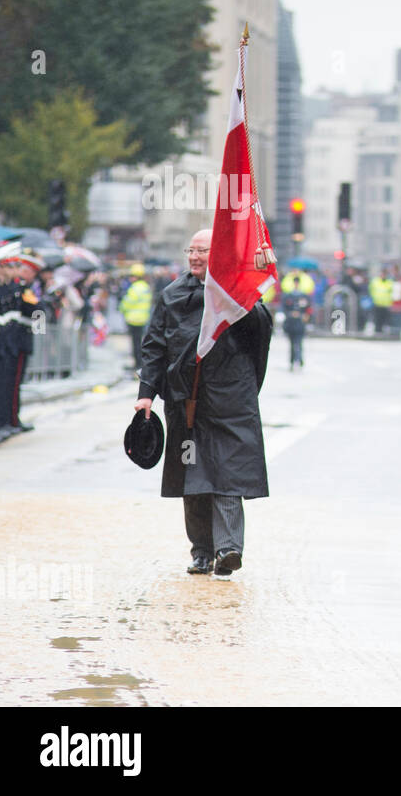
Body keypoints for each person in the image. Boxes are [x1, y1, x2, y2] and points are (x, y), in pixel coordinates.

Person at [133, 230, 272, 577]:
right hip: (185, 401)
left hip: (229, 401)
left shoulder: (238, 295)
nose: (195, 257)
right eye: (191, 250)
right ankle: (202, 551)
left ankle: (229, 549)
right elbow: (154, 347)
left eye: (202, 251)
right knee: (192, 476)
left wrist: (240, 298)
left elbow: (260, 337)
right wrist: (145, 395)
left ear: (220, 255)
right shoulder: (172, 295)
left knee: (228, 475)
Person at [119, 263, 153, 372]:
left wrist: (121, 308)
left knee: (136, 344)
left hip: (134, 319)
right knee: (139, 343)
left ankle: (137, 365)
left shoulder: (135, 288)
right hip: (142, 319)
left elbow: (127, 302)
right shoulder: (145, 286)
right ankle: (139, 364)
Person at [281, 286, 312, 371]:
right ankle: (293, 360)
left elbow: (308, 309)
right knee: (292, 344)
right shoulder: (288, 296)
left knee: (298, 343)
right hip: (291, 324)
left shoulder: (304, 296)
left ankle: (298, 359)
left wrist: (306, 317)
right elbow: (284, 309)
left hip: (300, 324)